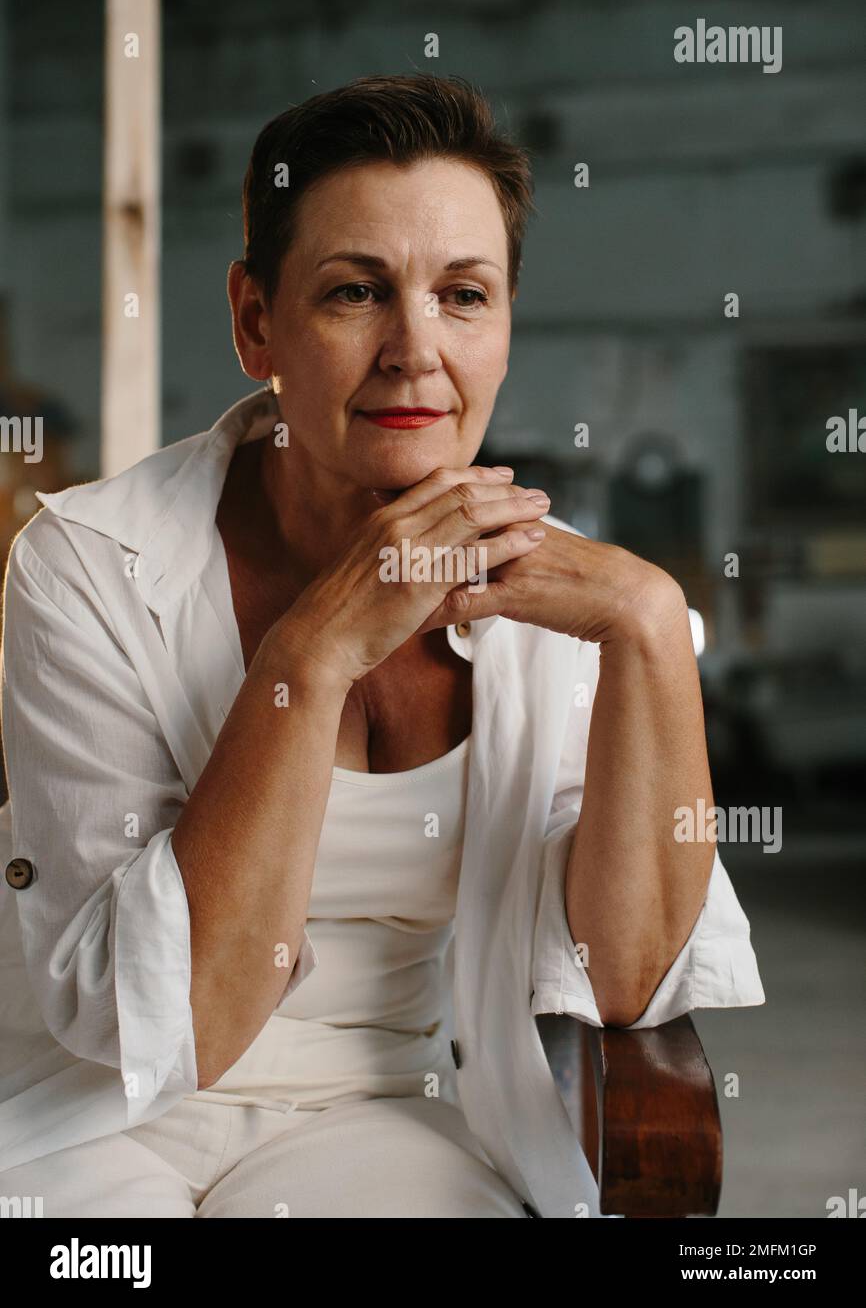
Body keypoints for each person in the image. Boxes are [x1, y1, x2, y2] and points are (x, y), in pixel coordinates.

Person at [0, 74, 764, 1218]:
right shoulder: (90, 565)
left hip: (370, 1115)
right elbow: (175, 1024)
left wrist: (649, 632)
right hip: (93, 1105)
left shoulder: (562, 603)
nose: (416, 350)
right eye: (356, 292)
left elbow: (623, 979)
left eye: (463, 294)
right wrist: (307, 656)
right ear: (256, 319)